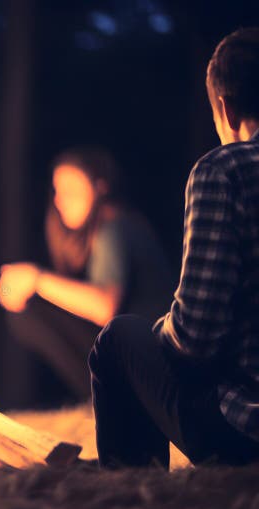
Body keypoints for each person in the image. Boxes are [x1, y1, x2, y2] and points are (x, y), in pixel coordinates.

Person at [89, 28, 259, 469]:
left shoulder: (224, 172)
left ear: (224, 108)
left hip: (245, 430)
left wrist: (159, 330)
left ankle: (131, 501)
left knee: (120, 338)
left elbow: (195, 339)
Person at [0, 147, 173, 400]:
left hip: (153, 362)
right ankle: (106, 394)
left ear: (100, 186)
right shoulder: (117, 226)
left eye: (71, 187)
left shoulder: (115, 228)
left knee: (31, 311)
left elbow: (104, 307)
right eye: (57, 190)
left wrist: (36, 279)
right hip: (144, 356)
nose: (60, 199)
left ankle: (109, 396)